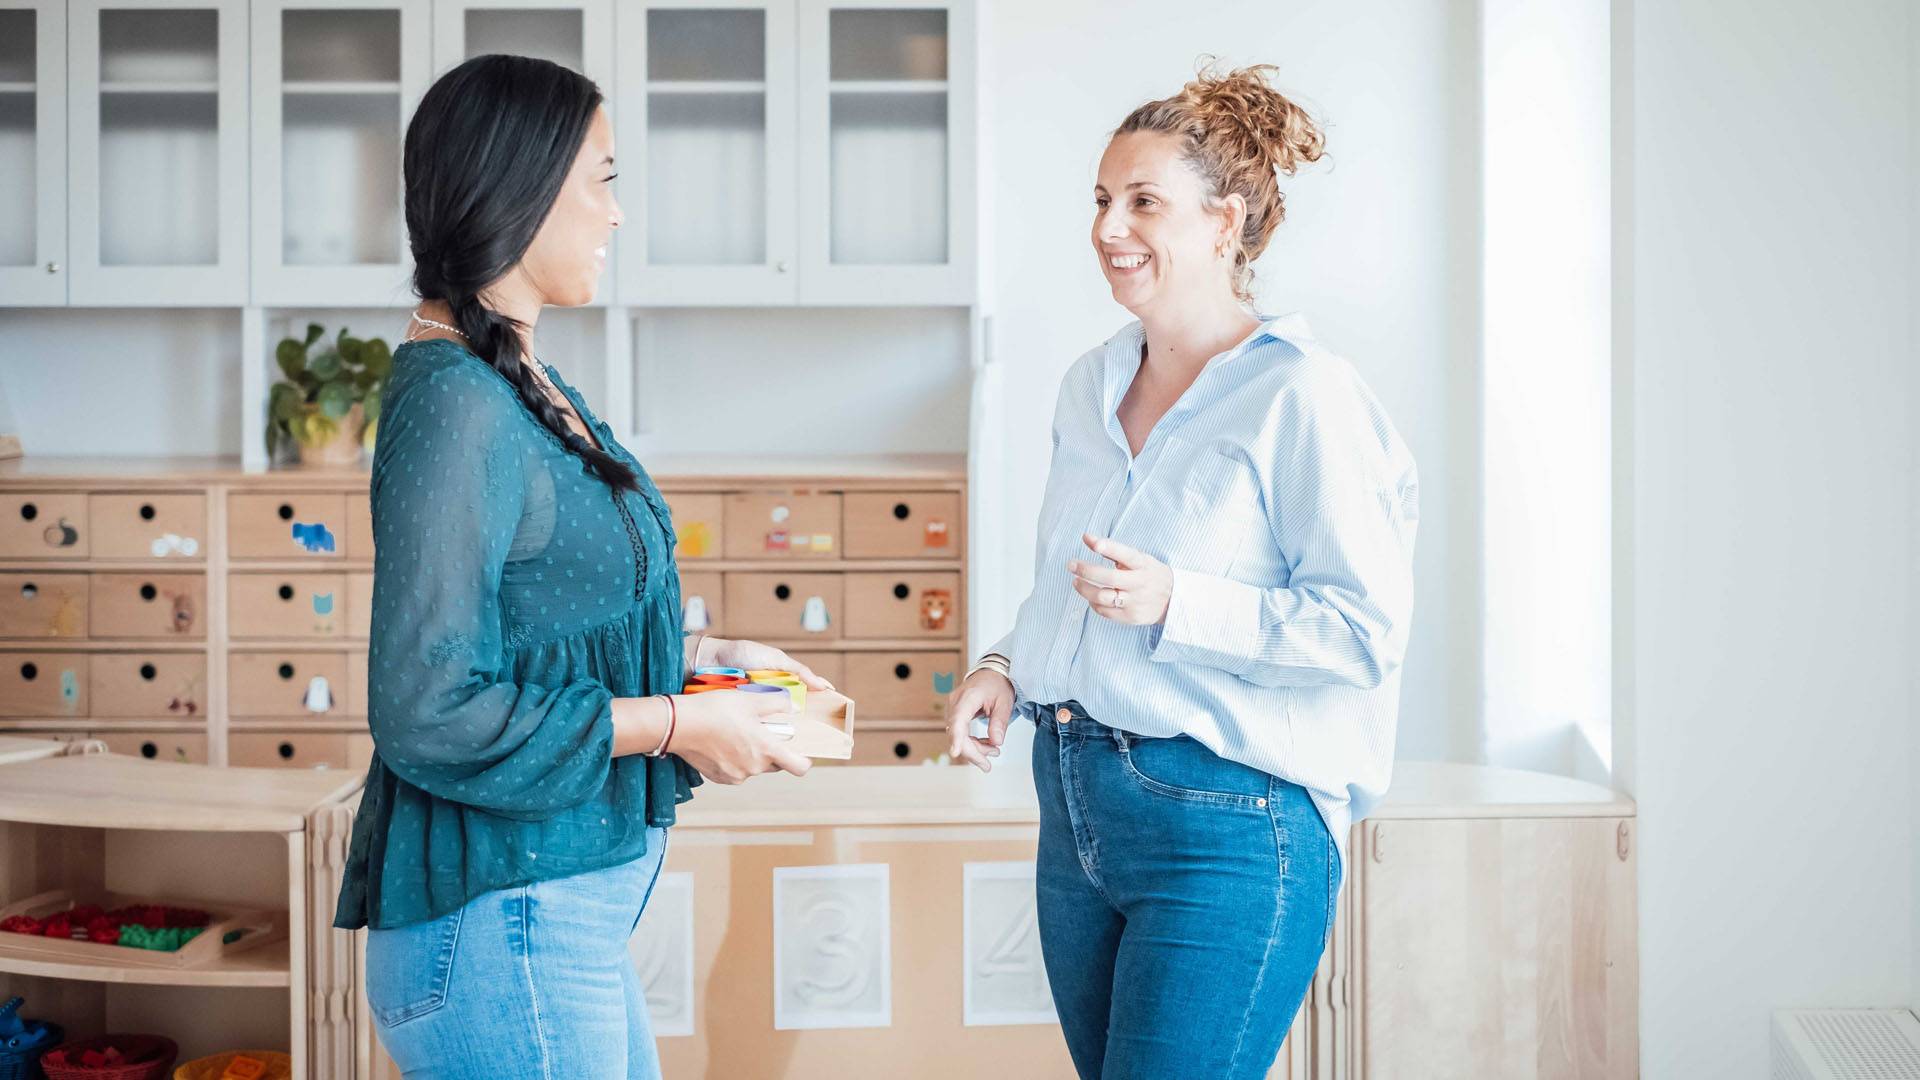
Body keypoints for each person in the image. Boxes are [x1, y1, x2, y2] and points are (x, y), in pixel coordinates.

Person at [332, 54, 825, 1079]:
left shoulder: (516, 377)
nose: (617, 213)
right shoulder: (456, 402)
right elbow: (428, 705)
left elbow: (547, 621)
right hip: (502, 932)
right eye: (602, 180)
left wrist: (707, 663)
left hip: (549, 929)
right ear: (520, 187)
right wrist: (678, 724)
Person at [945, 63, 1419, 1079]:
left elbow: (1362, 633)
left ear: (1223, 222)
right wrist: (1004, 665)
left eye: (1143, 202)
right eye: (1101, 200)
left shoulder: (1304, 396)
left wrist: (1178, 602)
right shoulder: (1091, 383)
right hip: (1075, 813)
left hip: (1231, 829)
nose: (1108, 227)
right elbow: (1069, 584)